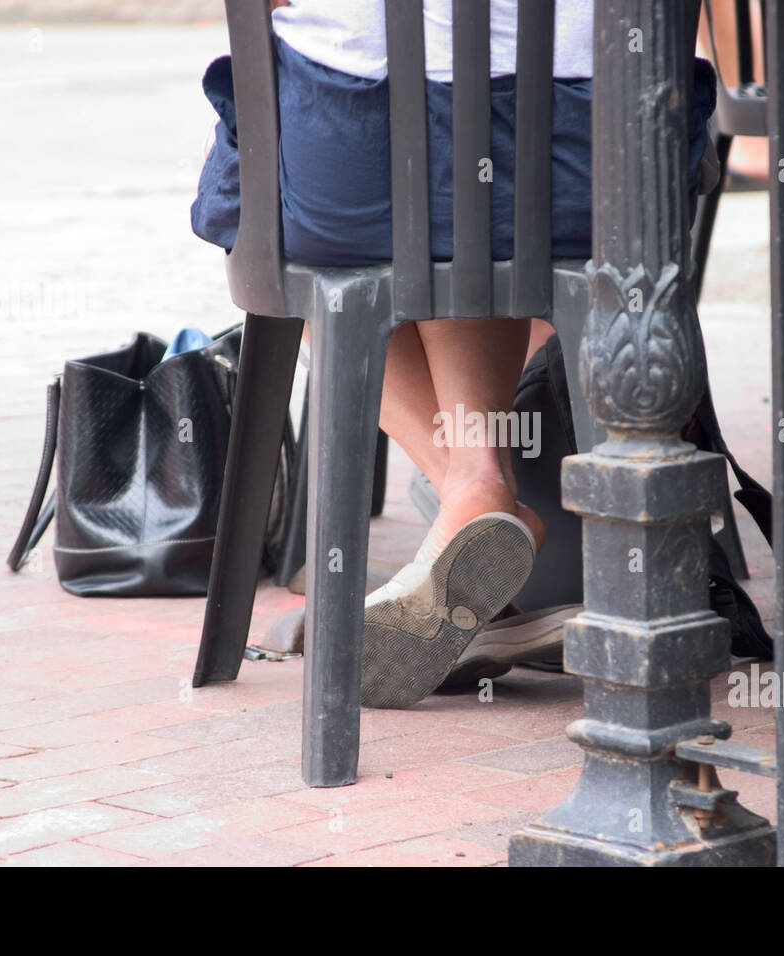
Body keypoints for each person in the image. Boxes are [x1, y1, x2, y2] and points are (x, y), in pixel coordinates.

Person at [193, 1, 717, 707]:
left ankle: (472, 486)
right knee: (474, 215)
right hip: (594, 157)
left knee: (318, 224)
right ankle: (480, 491)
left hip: (344, 164)